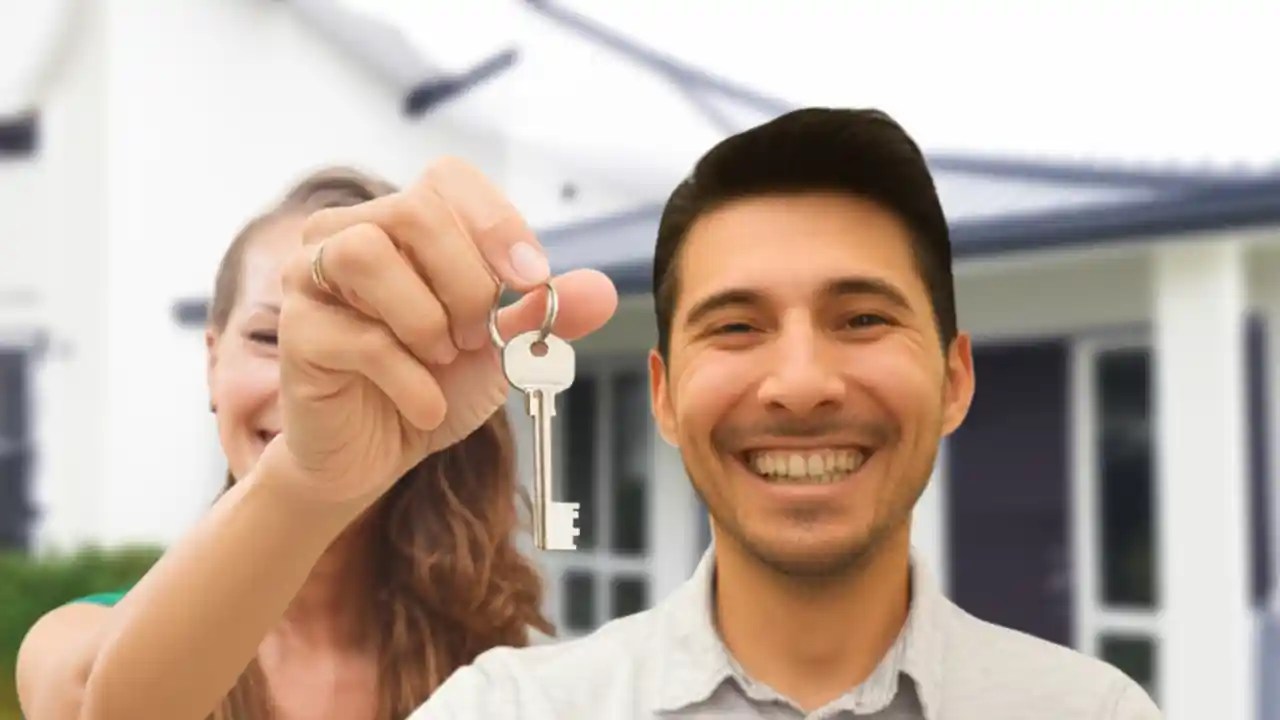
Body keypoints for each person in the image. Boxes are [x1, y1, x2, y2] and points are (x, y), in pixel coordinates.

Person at [407, 109, 1165, 719]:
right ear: (664, 396)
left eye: (863, 318)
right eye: (736, 326)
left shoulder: (1094, 711)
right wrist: (313, 484)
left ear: (954, 380)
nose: (800, 385)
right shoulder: (513, 707)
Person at [15, 164, 617, 719]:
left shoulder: (493, 667)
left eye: (365, 345)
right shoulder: (82, 636)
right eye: (269, 337)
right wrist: (308, 482)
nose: (306, 383)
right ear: (211, 363)